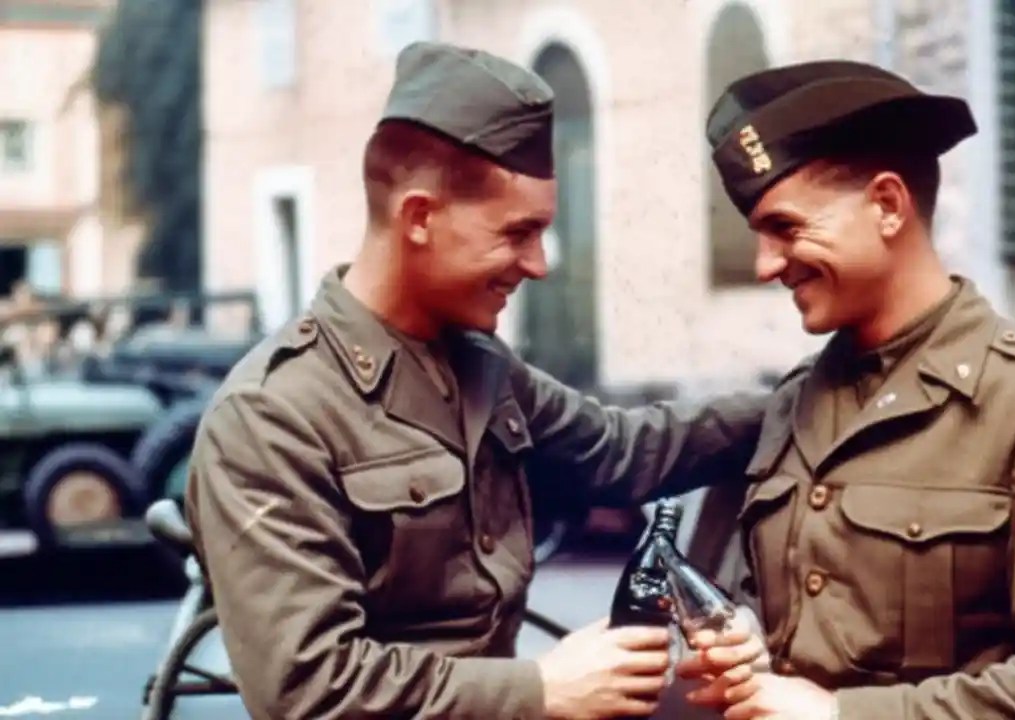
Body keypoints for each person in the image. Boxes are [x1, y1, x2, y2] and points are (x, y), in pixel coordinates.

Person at [185, 41, 764, 720]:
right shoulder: (272, 416)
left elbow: (624, 451)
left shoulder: (478, 366)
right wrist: (543, 691)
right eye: (518, 233)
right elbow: (309, 689)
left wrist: (815, 397)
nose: (539, 264)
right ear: (420, 217)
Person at [675, 60, 1015, 719]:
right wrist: (750, 647)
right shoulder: (796, 402)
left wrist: (842, 716)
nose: (764, 266)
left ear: (889, 206)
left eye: (785, 228)